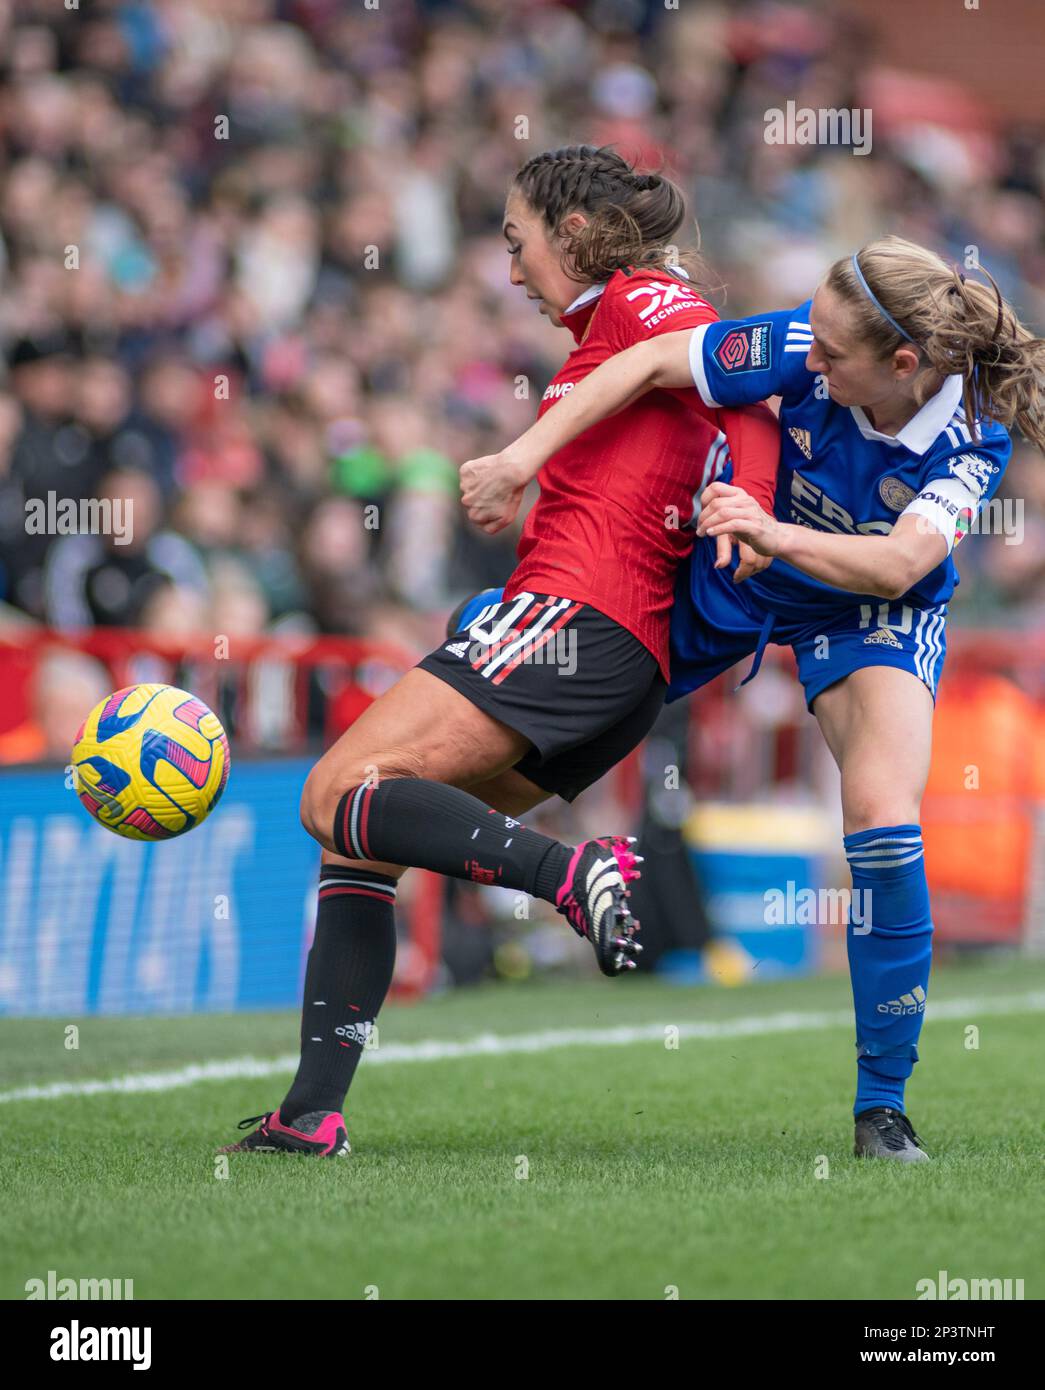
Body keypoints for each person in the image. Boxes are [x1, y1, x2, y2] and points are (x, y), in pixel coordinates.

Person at [220, 145, 781, 1157]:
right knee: (363, 836)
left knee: (328, 791)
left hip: (578, 617)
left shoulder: (644, 297)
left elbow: (738, 378)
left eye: (518, 242)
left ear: (573, 234)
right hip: (619, 664)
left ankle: (570, 873)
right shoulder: (610, 322)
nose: (511, 270)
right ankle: (310, 1116)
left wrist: (741, 507)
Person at [464, 234, 1045, 1161]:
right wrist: (519, 458)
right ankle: (446, 809)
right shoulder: (800, 341)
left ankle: (881, 1110)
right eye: (805, 338)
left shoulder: (970, 430)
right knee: (501, 771)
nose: (802, 360)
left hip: (865, 614)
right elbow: (651, 359)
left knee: (883, 824)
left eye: (826, 354)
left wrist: (771, 530)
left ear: (902, 364)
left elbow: (900, 564)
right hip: (731, 582)